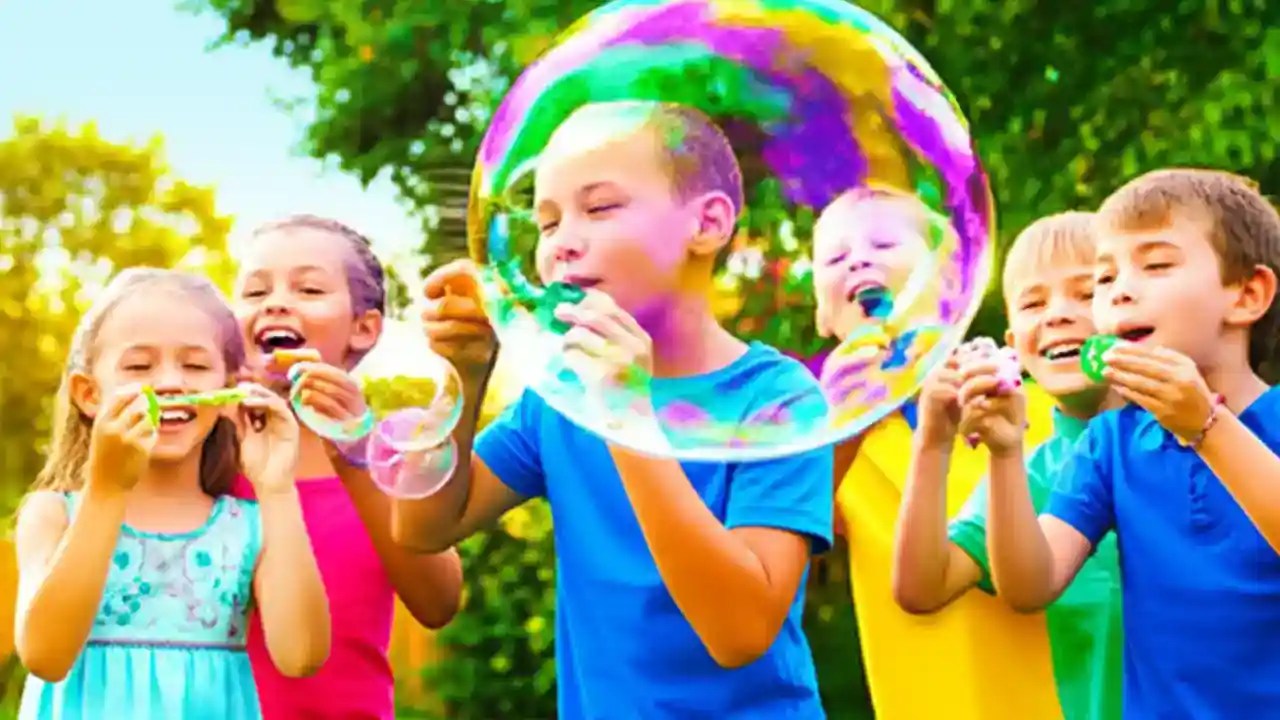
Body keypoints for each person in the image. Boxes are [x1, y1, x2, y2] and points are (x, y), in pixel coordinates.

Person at [402, 100, 833, 718]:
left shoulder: (776, 398)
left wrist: (627, 415)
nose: (561, 245)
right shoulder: (559, 399)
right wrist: (465, 377)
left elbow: (739, 631)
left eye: (599, 208)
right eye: (547, 224)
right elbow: (422, 527)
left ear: (706, 223)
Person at [974, 169, 1280, 718]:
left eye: (1156, 264)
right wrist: (1003, 452)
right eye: (1106, 277)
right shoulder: (1110, 444)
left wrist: (1205, 428)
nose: (1119, 290)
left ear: (1247, 295)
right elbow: (1030, 583)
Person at [14, 268, 330, 719]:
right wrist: (106, 489)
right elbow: (45, 655)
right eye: (139, 366)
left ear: (227, 391)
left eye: (196, 366)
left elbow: (301, 656)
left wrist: (276, 486)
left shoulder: (249, 526)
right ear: (89, 395)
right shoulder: (54, 515)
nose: (170, 383)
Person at [810, 186, 1065, 719]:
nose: (857, 259)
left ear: (953, 282)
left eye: (882, 243)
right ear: (823, 318)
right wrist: (843, 426)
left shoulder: (1039, 409)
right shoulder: (830, 449)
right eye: (835, 258)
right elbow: (783, 533)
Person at [893, 211, 1124, 720]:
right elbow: (921, 588)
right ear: (1014, 345)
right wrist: (933, 444)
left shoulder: (1204, 433)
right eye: (1032, 303)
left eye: (1085, 293)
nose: (1056, 315)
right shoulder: (1039, 472)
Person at [232, 215, 463, 719]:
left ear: (364, 328)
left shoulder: (394, 451)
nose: (275, 302)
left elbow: (438, 601)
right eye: (255, 291)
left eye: (309, 288)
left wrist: (354, 449)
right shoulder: (203, 454)